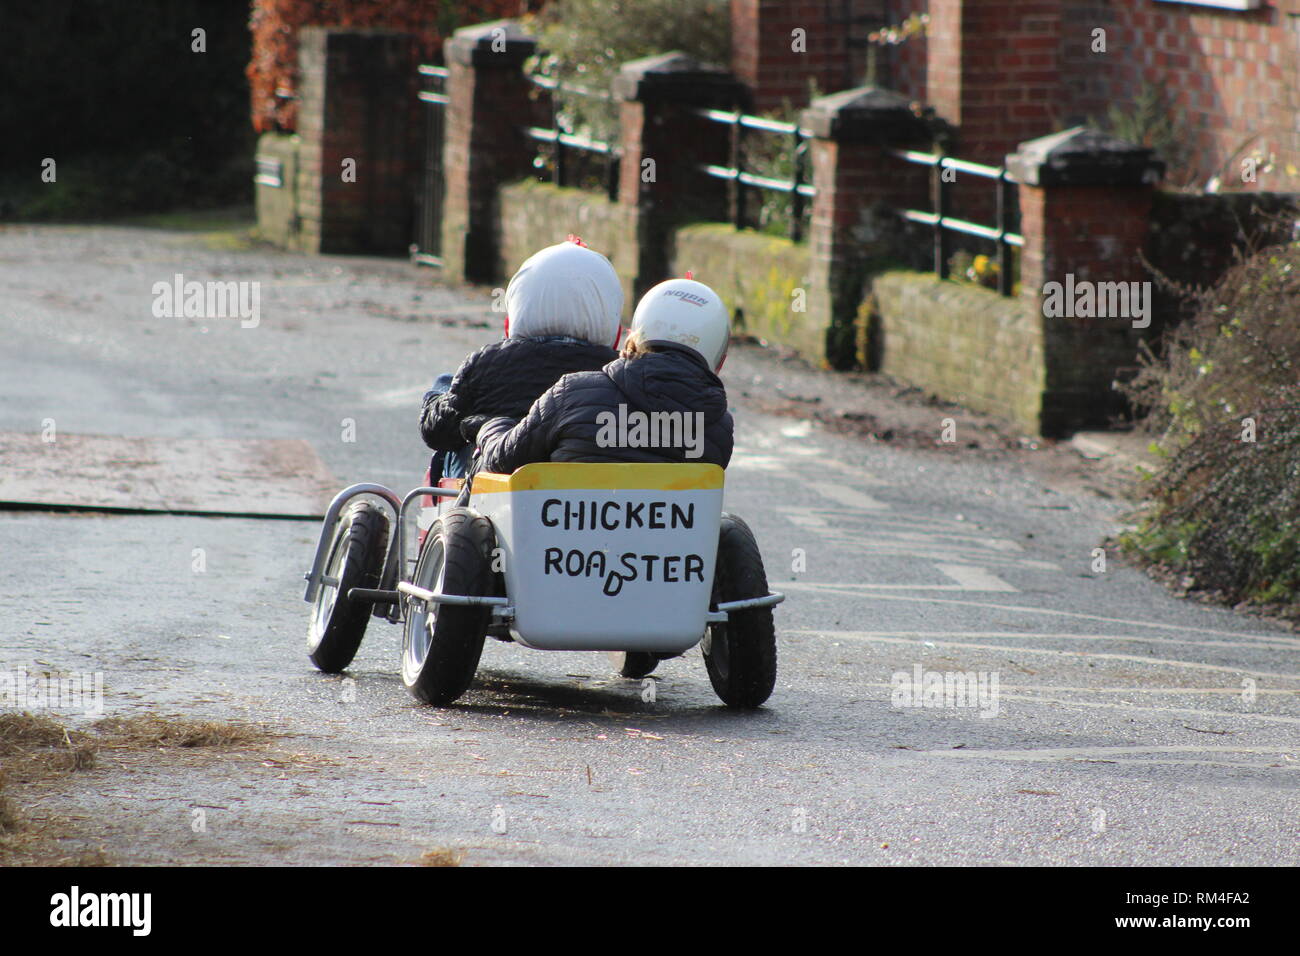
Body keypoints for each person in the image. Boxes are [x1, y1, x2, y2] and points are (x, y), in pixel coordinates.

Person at [476, 277, 734, 473]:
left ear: (634, 333)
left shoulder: (572, 392)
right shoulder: (718, 426)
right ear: (718, 359)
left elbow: (503, 460)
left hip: (563, 542)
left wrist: (490, 425)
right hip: (670, 544)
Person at [419, 239, 622, 478]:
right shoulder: (619, 374)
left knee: (446, 391)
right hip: (583, 491)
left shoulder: (486, 365)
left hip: (490, 489)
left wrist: (436, 401)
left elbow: (437, 432)